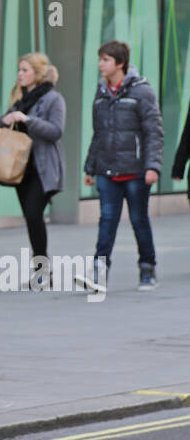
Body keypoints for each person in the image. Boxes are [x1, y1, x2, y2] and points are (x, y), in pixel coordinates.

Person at [81, 40, 163, 292]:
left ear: (120, 63)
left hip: (136, 170)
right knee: (107, 219)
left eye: (105, 60)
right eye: (100, 59)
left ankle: (147, 268)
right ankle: (99, 269)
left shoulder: (142, 91)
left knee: (139, 219)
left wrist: (153, 167)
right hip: (107, 168)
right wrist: (90, 166)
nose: (100, 65)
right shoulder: (102, 92)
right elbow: (99, 132)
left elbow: (153, 132)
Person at [0, 54, 66, 290]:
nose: (20, 74)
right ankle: (41, 269)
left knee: (33, 214)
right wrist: (6, 118)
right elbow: (2, 124)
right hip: (21, 169)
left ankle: (43, 270)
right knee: (31, 219)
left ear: (37, 73)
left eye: (25, 70)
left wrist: (28, 120)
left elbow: (56, 131)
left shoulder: (53, 99)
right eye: (19, 70)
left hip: (43, 168)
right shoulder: (19, 98)